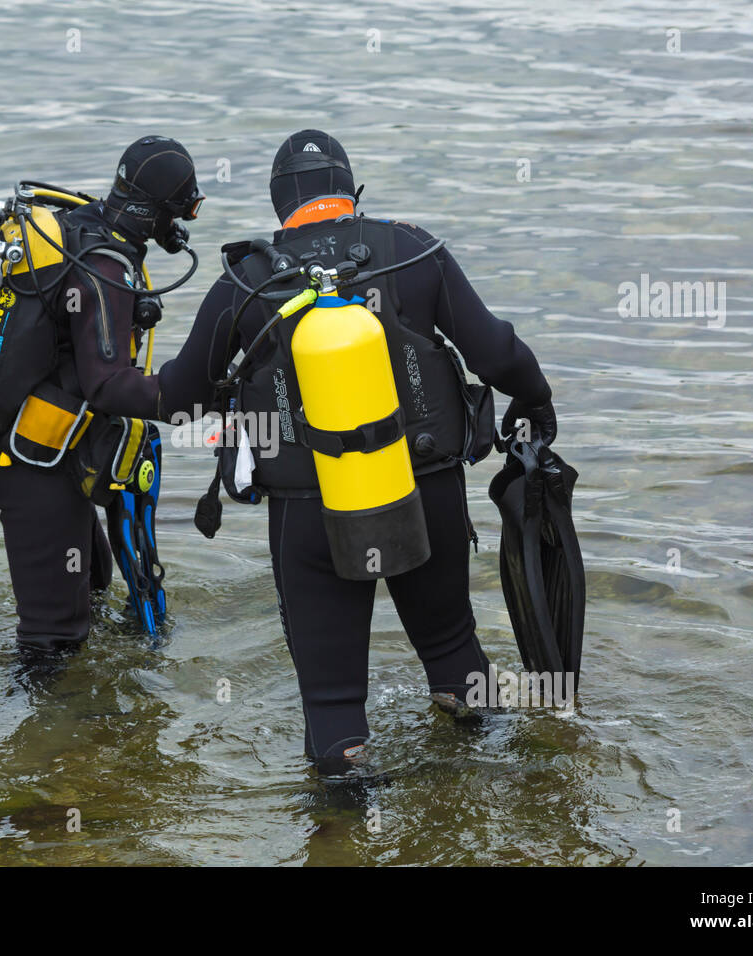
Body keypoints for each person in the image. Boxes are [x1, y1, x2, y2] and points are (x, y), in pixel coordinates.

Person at [154, 130, 556, 773]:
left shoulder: (246, 279)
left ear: (281, 205)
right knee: (458, 662)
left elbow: (180, 398)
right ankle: (499, 793)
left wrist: (102, 389)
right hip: (421, 493)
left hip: (311, 512)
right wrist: (536, 404)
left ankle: (344, 826)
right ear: (351, 192)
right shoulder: (411, 249)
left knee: (333, 708)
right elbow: (496, 351)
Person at [0, 136, 204, 653]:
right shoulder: (106, 267)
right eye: (184, 207)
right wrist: (181, 397)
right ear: (158, 212)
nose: (183, 224)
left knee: (92, 590)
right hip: (29, 460)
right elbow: (108, 384)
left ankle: (95, 726)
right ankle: (38, 730)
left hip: (36, 450)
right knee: (53, 634)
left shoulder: (80, 231)